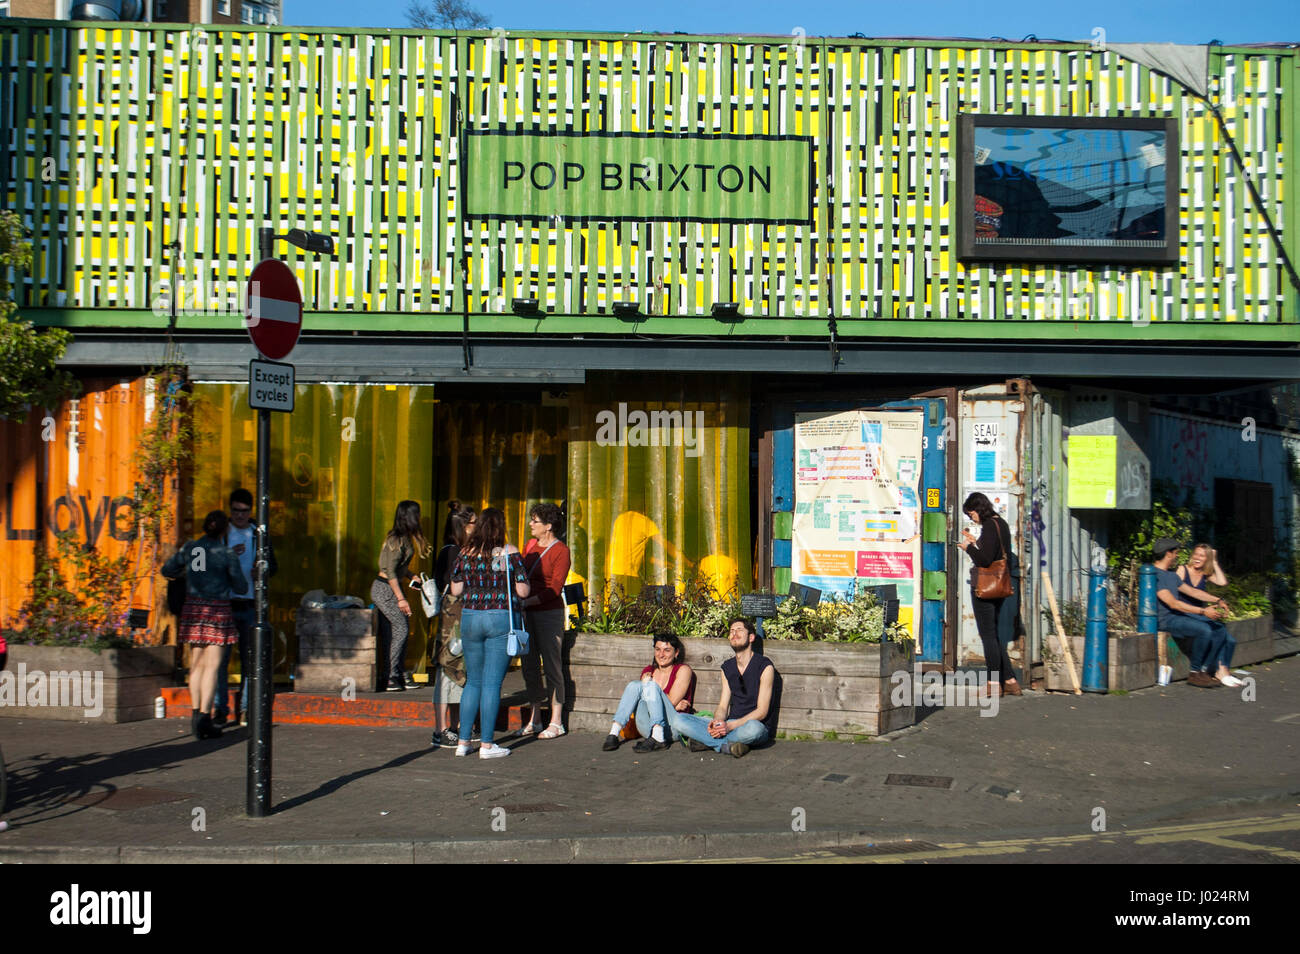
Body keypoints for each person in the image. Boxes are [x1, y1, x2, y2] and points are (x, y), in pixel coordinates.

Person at [449, 507, 529, 759]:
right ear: (501, 526)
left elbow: (456, 589)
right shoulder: (509, 552)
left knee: (473, 681)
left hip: (471, 617)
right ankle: (486, 745)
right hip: (499, 617)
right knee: (492, 683)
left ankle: (463, 742)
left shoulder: (465, 552)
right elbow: (523, 591)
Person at [162, 511, 248, 740]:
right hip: (217, 609)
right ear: (224, 530)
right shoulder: (226, 553)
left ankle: (195, 714)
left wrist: (189, 573)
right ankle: (204, 717)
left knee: (196, 665)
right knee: (212, 667)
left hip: (193, 608)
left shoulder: (191, 547)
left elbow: (167, 570)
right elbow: (241, 586)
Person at [668, 618, 775, 758]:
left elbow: (762, 712)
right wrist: (718, 722)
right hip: (729, 724)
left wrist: (730, 727)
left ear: (751, 637)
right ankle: (727, 745)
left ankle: (709, 742)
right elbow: (723, 706)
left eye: (739, 630)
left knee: (754, 730)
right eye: (731, 631)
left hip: (753, 725)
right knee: (678, 720)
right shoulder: (727, 667)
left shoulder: (765, 666)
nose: (734, 634)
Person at [215, 488, 277, 728]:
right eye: (235, 511)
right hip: (226, 603)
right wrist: (228, 555)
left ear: (251, 511)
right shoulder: (222, 534)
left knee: (250, 659)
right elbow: (206, 564)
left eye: (244, 511)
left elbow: (274, 566)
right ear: (230, 510)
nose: (240, 515)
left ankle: (246, 708)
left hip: (252, 604)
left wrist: (262, 570)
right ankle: (221, 709)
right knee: (221, 660)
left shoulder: (258, 534)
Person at [956, 492, 1023, 697]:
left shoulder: (989, 526)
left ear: (979, 509)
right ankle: (1010, 681)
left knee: (988, 636)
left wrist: (968, 548)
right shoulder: (1000, 523)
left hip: (985, 588)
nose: (972, 518)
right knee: (993, 635)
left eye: (971, 514)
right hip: (999, 586)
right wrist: (976, 542)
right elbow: (994, 552)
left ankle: (993, 684)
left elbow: (984, 560)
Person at [518, 502, 573, 739]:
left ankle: (556, 720)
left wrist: (528, 602)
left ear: (549, 526)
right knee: (529, 665)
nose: (531, 524)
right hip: (526, 613)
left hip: (548, 614)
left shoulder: (561, 551)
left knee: (552, 665)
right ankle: (535, 718)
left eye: (535, 521)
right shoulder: (530, 546)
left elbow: (555, 588)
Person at [1152, 538, 1232, 688]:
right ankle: (1194, 673)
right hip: (1166, 620)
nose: (1177, 556)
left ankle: (1204, 671)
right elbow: (1173, 603)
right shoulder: (1155, 575)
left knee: (1219, 628)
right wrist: (1203, 611)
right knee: (1204, 630)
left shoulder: (1171, 575)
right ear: (1168, 554)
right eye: (1175, 553)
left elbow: (1193, 592)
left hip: (1178, 617)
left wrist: (1218, 600)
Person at [371, 501, 431, 692]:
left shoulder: (404, 537)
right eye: (417, 514)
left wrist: (411, 576)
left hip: (390, 587)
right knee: (401, 629)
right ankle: (392, 676)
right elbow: (389, 571)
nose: (419, 518)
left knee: (393, 632)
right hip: (385, 589)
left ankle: (396, 673)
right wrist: (401, 598)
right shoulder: (396, 539)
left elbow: (398, 567)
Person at [601, 633, 695, 752]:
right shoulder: (648, 671)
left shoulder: (683, 670)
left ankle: (658, 737)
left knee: (649, 684)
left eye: (667, 650)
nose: (661, 654)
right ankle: (614, 733)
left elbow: (671, 701)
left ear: (676, 653)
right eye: (658, 649)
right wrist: (675, 705)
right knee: (634, 685)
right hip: (647, 728)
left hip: (673, 728)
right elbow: (647, 703)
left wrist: (650, 686)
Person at [430, 501, 474, 747]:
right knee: (449, 670)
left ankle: (454, 727)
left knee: (458, 672)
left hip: (455, 617)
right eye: (474, 523)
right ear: (464, 526)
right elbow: (451, 584)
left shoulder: (453, 549)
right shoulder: (454, 551)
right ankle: (441, 729)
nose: (477, 527)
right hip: (453, 619)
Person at [1175, 543, 1240, 686]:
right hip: (1185, 612)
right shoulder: (1182, 570)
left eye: (1202, 556)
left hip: (1199, 614)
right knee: (1218, 630)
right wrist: (1212, 604)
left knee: (1230, 640)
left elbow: (1222, 582)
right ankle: (1211, 671)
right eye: (1196, 554)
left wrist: (1214, 562)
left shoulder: (1205, 574)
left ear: (1207, 559)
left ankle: (1222, 671)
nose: (1197, 558)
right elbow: (1184, 593)